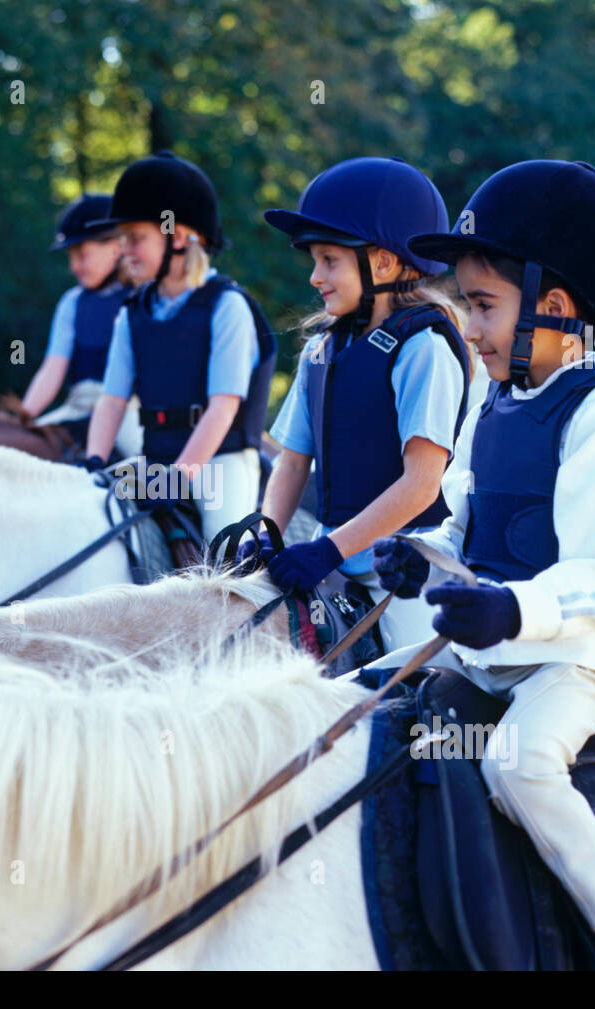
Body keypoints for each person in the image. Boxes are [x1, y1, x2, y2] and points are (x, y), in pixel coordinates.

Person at [372, 159, 595, 969]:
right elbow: (469, 528)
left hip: (576, 658)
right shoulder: (498, 402)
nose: (466, 328)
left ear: (553, 306)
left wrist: (513, 610)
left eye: (481, 306)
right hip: (495, 650)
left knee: (520, 766)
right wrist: (421, 558)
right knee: (362, 692)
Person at [249, 156, 474, 651]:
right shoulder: (320, 350)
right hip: (333, 560)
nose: (314, 276)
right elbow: (290, 462)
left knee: (412, 695)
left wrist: (328, 550)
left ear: (384, 262)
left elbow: (421, 485)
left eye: (329, 260)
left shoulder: (425, 349)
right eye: (314, 260)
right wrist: (268, 533)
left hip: (411, 570)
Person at [83, 151, 276, 545]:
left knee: (227, 555)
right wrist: (95, 462)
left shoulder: (227, 307)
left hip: (220, 465)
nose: (126, 250)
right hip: (153, 460)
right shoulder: (132, 312)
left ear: (181, 236)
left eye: (136, 238)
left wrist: (180, 477)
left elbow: (223, 406)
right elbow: (112, 400)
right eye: (123, 240)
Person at [20, 194, 140, 455]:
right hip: (76, 407)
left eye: (82, 255)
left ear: (115, 248)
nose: (74, 266)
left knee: (151, 465)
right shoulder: (72, 303)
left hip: (127, 412)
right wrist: (23, 419)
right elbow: (52, 369)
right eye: (71, 257)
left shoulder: (140, 298)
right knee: (20, 452)